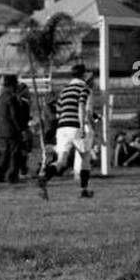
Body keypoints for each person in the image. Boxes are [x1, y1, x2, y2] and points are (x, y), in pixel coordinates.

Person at [40, 63, 95, 199]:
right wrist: (83, 126)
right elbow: (82, 106)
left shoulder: (64, 90)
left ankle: (45, 178)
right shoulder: (85, 88)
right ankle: (84, 189)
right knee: (85, 157)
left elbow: (59, 111)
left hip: (62, 128)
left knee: (61, 161)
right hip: (76, 126)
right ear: (84, 74)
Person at [0, 75, 23, 183]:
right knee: (14, 154)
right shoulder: (11, 98)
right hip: (12, 130)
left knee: (4, 154)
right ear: (12, 85)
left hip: (1, 131)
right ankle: (12, 176)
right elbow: (14, 115)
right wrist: (19, 129)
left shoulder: (0, 98)